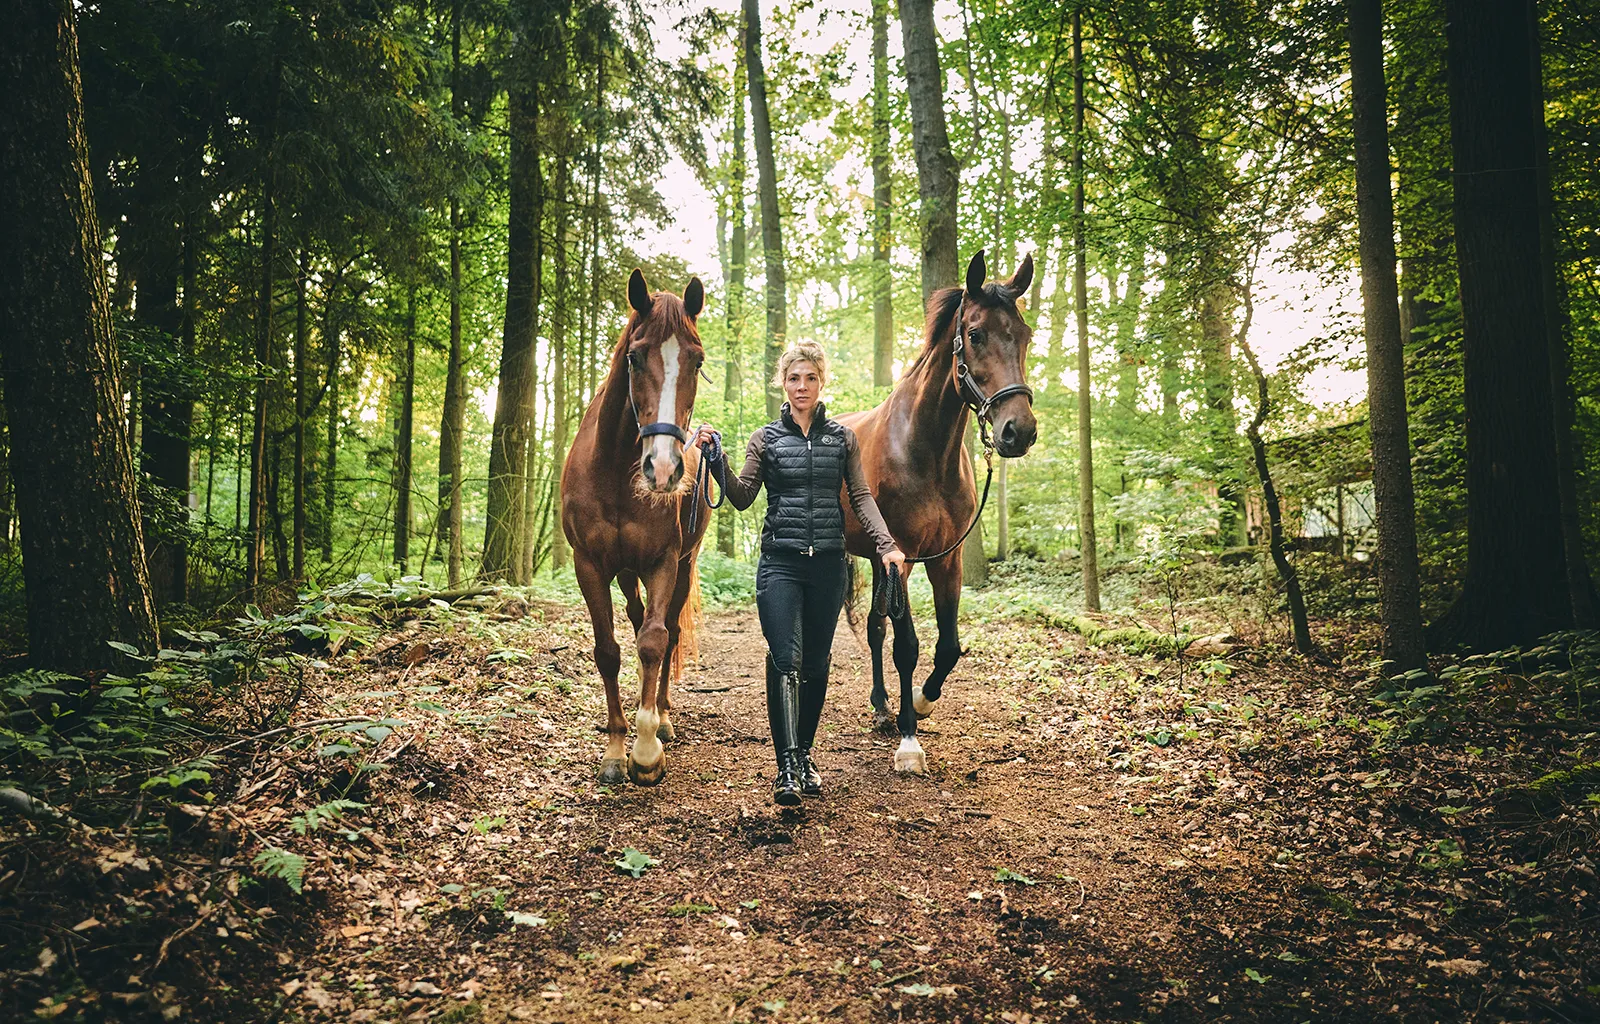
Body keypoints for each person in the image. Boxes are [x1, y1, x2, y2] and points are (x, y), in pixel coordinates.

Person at [692, 342, 906, 806]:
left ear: (821, 381)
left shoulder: (842, 439)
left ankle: (804, 754)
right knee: (786, 659)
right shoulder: (765, 439)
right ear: (782, 384)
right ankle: (787, 763)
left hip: (829, 565)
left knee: (815, 665)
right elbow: (744, 495)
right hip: (781, 564)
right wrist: (716, 461)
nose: (802, 386)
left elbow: (862, 495)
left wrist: (887, 545)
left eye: (810, 377)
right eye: (794, 378)